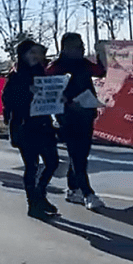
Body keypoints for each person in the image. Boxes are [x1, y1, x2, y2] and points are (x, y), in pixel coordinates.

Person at [46, 32, 107, 211]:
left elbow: (100, 72)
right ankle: (88, 193)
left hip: (87, 113)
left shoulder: (84, 64)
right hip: (68, 116)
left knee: (82, 154)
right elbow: (47, 89)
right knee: (76, 154)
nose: (79, 49)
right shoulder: (56, 67)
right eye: (75, 46)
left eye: (81, 46)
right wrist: (64, 100)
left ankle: (73, 189)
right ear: (64, 48)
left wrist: (101, 54)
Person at [2, 40, 61, 219]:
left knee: (52, 162)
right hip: (24, 127)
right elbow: (9, 102)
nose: (36, 56)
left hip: (43, 125)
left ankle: (39, 195)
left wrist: (59, 98)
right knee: (32, 167)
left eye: (38, 53)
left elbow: (51, 96)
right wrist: (28, 92)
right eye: (31, 53)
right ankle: (33, 205)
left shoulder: (41, 73)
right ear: (23, 55)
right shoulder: (16, 76)